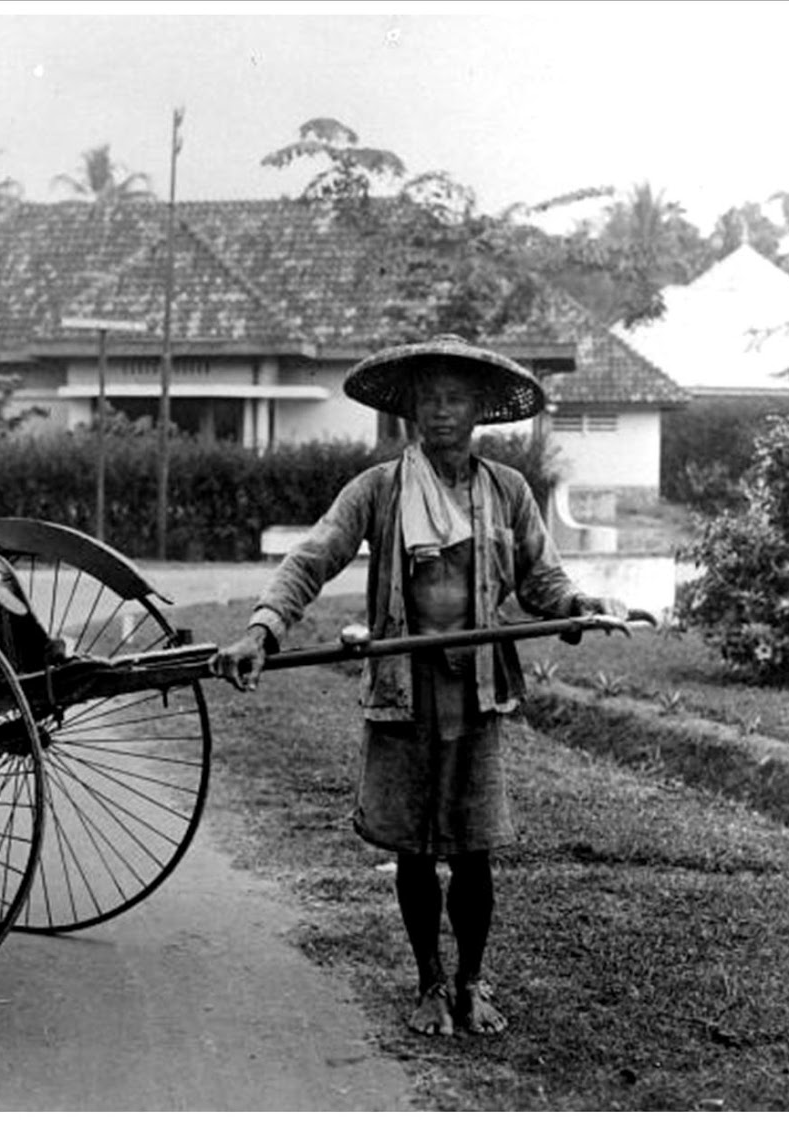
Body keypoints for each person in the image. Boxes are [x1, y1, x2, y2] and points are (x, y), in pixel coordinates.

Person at [214, 334, 626, 1038]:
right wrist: (262, 629)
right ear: (410, 410)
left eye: (455, 398)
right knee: (413, 847)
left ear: (477, 410)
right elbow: (312, 557)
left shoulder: (506, 491)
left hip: (478, 688)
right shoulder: (379, 490)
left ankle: (472, 978)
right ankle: (428, 981)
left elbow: (541, 577)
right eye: (430, 398)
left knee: (473, 847)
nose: (442, 411)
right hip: (405, 687)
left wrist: (578, 609)